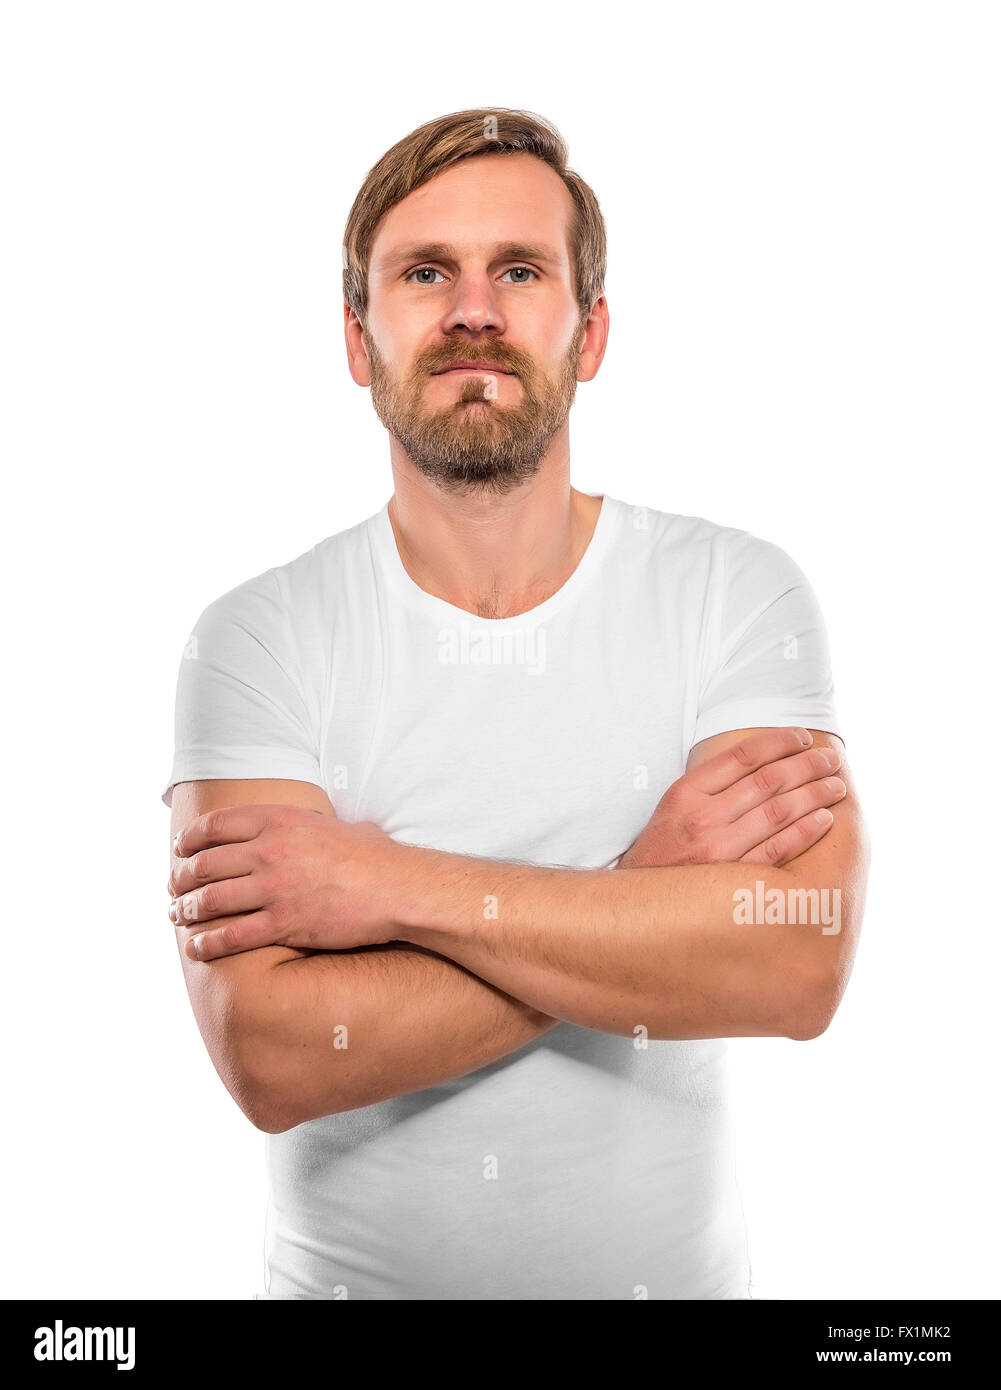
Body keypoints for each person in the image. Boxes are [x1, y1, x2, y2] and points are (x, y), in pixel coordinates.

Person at [162, 107, 869, 1301]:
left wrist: (383, 887)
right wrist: (646, 893)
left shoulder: (736, 594)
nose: (473, 309)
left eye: (520, 270)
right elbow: (272, 1056)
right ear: (356, 337)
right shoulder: (255, 638)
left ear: (589, 334)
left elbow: (795, 967)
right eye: (426, 271)